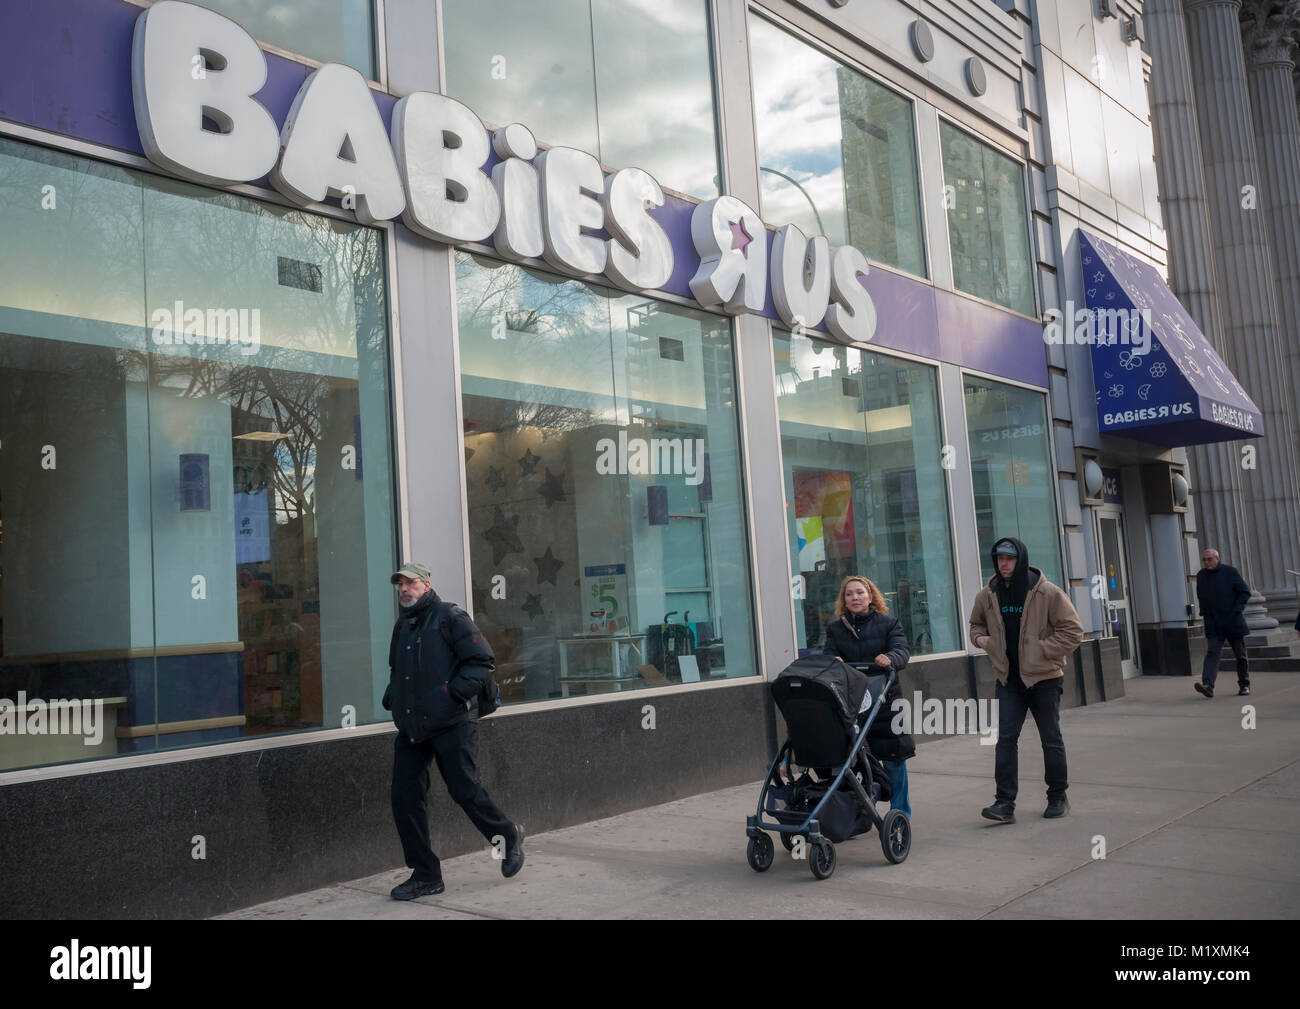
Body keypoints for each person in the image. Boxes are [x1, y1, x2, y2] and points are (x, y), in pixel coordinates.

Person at [383, 561, 524, 899]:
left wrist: (452, 695)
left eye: (411, 583)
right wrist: (393, 698)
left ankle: (507, 837)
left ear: (426, 585)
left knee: (464, 789)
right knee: (404, 799)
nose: (405, 589)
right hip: (413, 726)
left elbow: (481, 661)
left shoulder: (449, 617)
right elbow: (396, 669)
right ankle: (426, 875)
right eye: (400, 584)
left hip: (451, 723)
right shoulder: (402, 626)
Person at [969, 536, 1083, 823]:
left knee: (1050, 738)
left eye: (1009, 558)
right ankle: (1004, 804)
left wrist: (1040, 650)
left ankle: (1058, 796)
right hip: (1009, 680)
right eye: (999, 559)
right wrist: (984, 640)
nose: (1004, 564)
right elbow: (975, 624)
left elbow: (1073, 631)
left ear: (1020, 559)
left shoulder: (1046, 593)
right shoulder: (988, 595)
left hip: (1044, 679)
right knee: (1005, 739)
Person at [822, 575, 914, 818]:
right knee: (856, 761)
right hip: (852, 703)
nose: (855, 597)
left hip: (885, 701)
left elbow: (902, 651)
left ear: (871, 596)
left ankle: (900, 813)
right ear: (844, 599)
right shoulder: (835, 629)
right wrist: (833, 661)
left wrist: (890, 658)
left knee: (894, 758)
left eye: (860, 593)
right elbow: (829, 655)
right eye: (849, 594)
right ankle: (859, 813)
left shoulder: (888, 623)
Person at [1194, 548, 1252, 698]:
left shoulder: (1230, 572)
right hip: (1213, 623)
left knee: (1240, 655)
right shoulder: (1201, 576)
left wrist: (1237, 610)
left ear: (1217, 559)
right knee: (1212, 653)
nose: (1206, 562)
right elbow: (1201, 595)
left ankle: (1244, 684)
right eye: (1204, 560)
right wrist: (1205, 613)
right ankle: (1208, 685)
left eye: (1209, 559)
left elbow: (1245, 592)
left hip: (1232, 621)